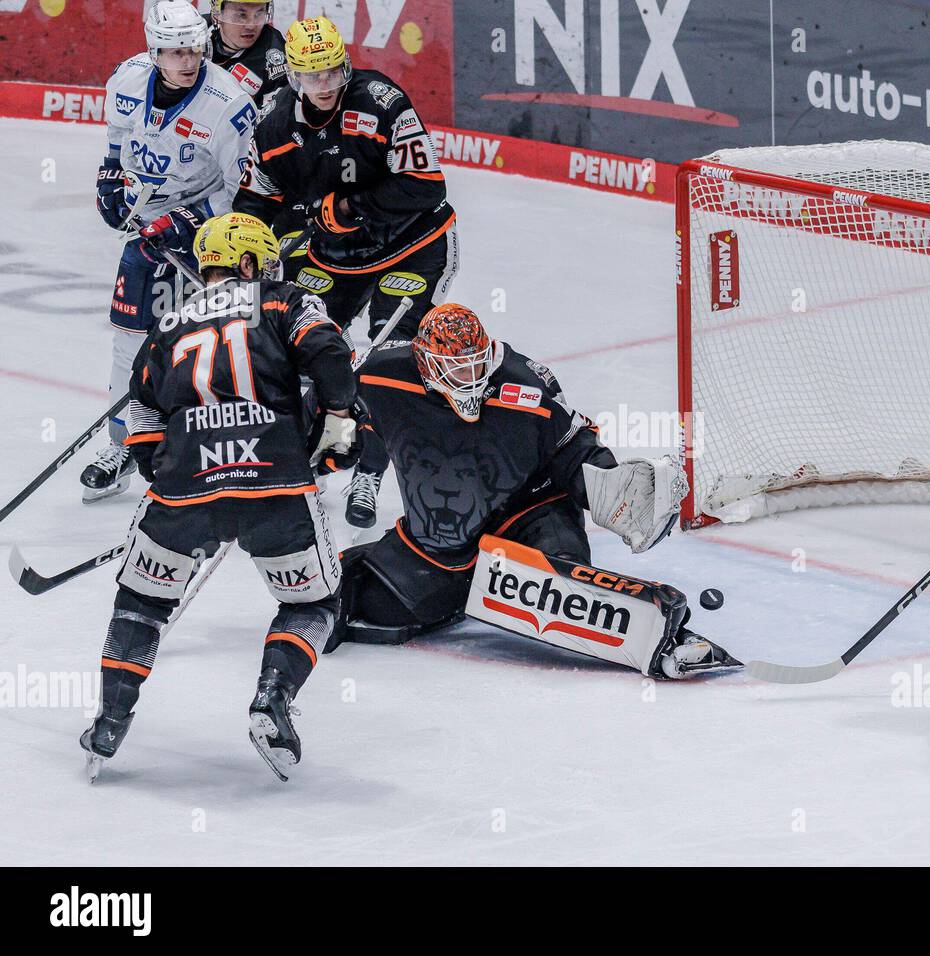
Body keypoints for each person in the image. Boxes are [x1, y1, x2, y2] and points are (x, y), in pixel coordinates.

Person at [79, 212, 360, 782]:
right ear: (252, 263)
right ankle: (271, 700)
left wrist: (165, 471)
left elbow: (141, 411)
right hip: (275, 486)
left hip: (184, 491)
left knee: (142, 602)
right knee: (313, 605)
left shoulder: (170, 324)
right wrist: (338, 422)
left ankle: (110, 720)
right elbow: (331, 355)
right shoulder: (284, 300)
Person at [329, 303, 738, 679]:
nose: (472, 378)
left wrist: (608, 486)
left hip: (529, 513)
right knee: (376, 603)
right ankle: (419, 585)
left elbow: (572, 447)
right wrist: (326, 442)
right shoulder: (380, 373)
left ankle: (655, 634)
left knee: (560, 580)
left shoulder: (528, 384)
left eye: (477, 365)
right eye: (458, 369)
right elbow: (332, 410)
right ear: (426, 365)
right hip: (440, 541)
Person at [235, 15, 459, 529]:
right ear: (292, 75)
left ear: (346, 66)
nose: (324, 85)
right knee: (307, 346)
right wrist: (243, 249)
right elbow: (255, 200)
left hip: (412, 246)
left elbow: (428, 187)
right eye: (312, 76)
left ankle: (371, 472)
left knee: (390, 359)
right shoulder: (272, 123)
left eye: (332, 73)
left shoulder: (381, 102)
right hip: (334, 254)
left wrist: (350, 209)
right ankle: (305, 456)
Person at [84, 0, 256, 503]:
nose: (187, 61)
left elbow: (238, 192)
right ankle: (120, 445)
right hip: (146, 233)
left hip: (209, 242)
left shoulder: (228, 103)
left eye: (195, 51)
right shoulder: (127, 78)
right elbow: (117, 142)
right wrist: (110, 178)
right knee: (126, 343)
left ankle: (226, 453)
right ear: (153, 49)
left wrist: (186, 221)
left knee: (216, 347)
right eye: (174, 52)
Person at [206, 0, 288, 108]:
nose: (251, 26)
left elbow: (270, 121)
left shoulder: (276, 56)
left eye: (259, 14)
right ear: (217, 13)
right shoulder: (196, 31)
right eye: (241, 15)